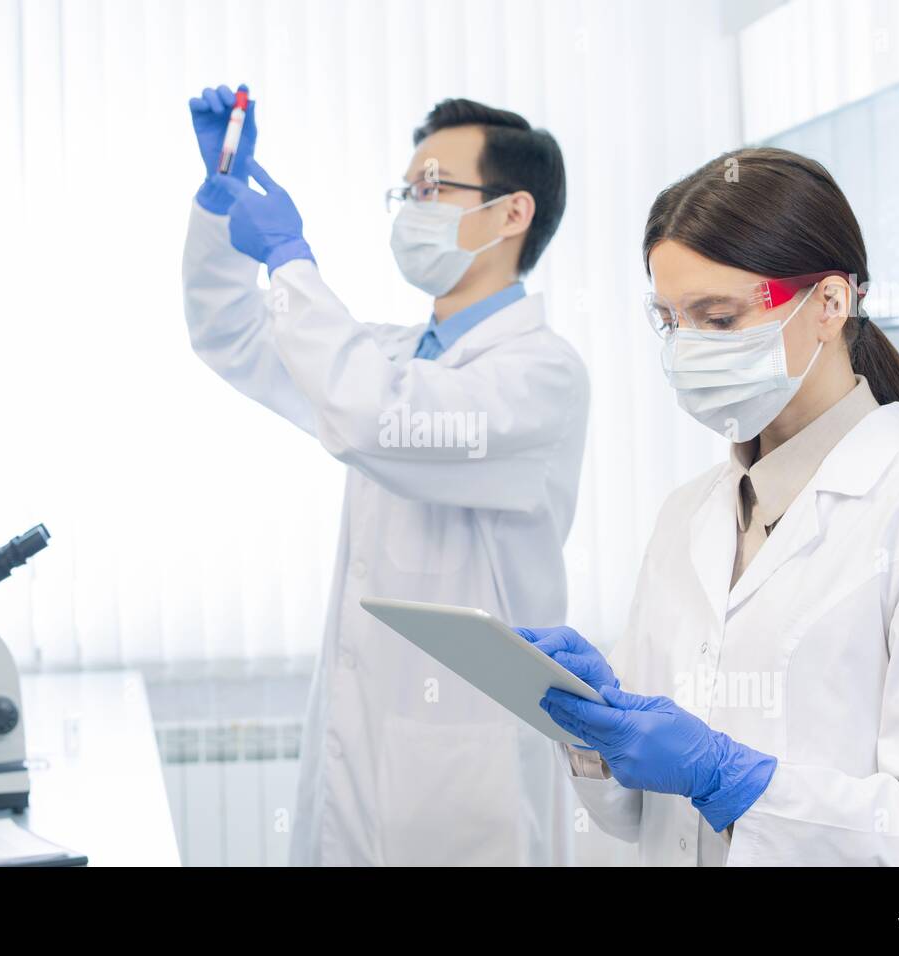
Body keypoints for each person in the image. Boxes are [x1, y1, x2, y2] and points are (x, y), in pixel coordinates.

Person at [521, 147, 899, 866]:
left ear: (829, 303)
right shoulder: (686, 516)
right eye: (671, 322)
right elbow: (641, 821)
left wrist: (732, 780)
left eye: (720, 319)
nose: (686, 349)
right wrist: (595, 734)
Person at [182, 86, 588, 865]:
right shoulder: (393, 353)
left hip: (467, 779)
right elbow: (229, 336)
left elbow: (376, 418)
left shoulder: (541, 377)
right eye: (407, 191)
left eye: (433, 188)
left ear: (512, 213)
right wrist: (218, 204)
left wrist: (293, 262)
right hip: (362, 749)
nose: (411, 207)